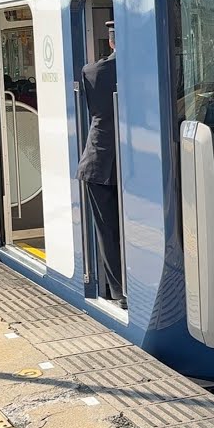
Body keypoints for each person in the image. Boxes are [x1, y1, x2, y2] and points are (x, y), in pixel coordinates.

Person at [76, 20, 125, 307]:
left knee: (108, 232)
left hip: (98, 160)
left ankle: (118, 291)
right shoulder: (149, 70)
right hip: (131, 164)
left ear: (110, 42)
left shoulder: (92, 72)